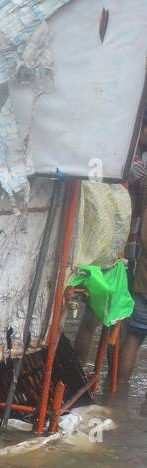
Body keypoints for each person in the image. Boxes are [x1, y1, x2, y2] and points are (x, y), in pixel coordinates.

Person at [112, 116, 147, 416]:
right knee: (133, 335)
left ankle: (118, 399)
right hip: (142, 265)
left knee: (134, 335)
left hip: (141, 267)